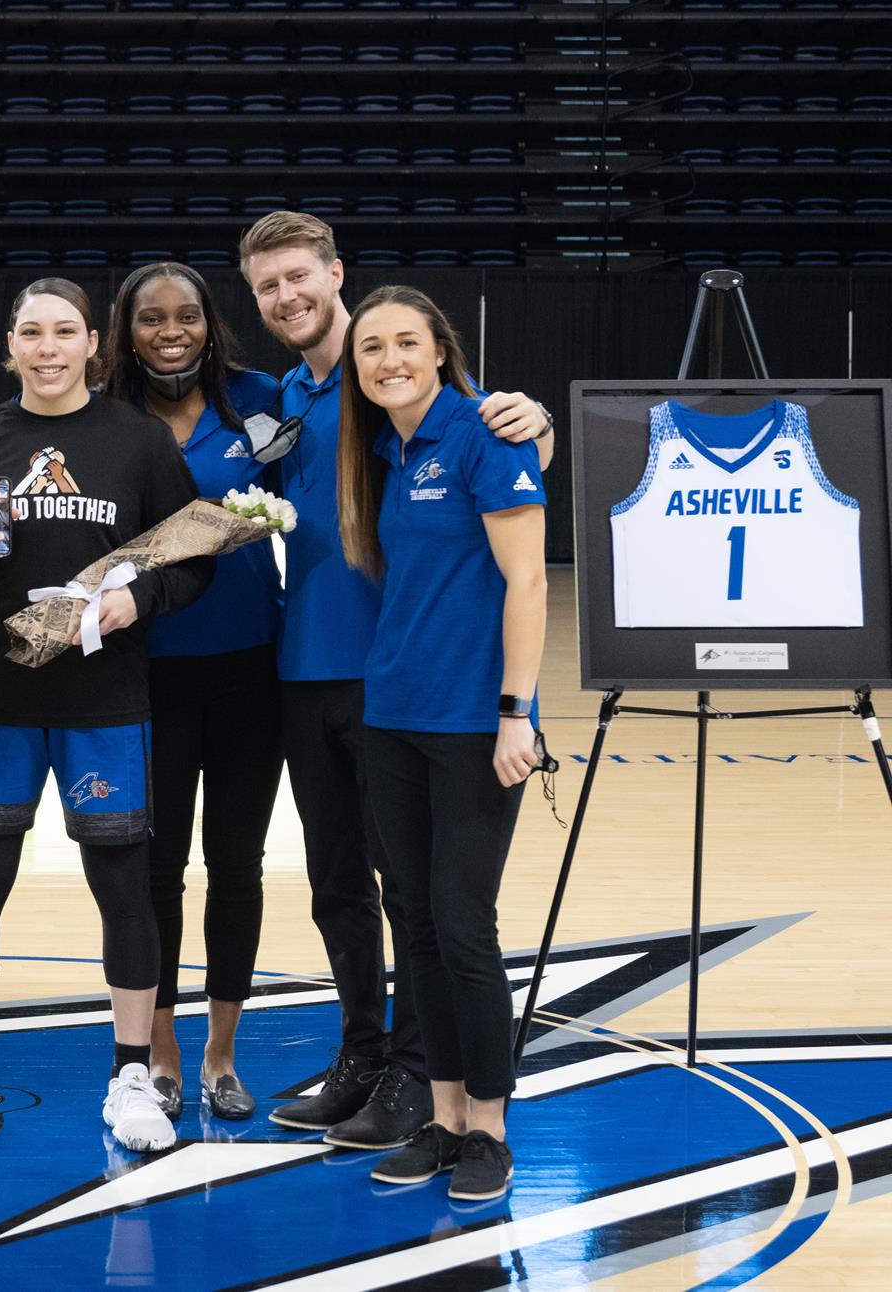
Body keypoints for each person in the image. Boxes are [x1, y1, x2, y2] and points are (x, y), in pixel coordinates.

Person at [0, 262, 286, 1122]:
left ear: (94, 344)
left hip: (107, 699)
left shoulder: (139, 440)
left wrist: (141, 597)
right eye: (32, 333)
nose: (49, 347)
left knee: (127, 888)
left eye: (65, 331)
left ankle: (134, 1072)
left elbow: (189, 564)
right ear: (10, 347)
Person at [237, 212, 555, 1150]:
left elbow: (501, 466)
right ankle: (367, 1057)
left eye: (301, 276)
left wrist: (535, 423)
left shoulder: (412, 398)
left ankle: (428, 1078)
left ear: (336, 273)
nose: (288, 297)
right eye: (268, 286)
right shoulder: (277, 396)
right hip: (311, 673)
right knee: (339, 885)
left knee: (420, 899)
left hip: (411, 686)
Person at [331, 285, 546, 1201]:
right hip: (393, 718)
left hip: (472, 726)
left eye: (405, 342)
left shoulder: (485, 434)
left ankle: (492, 1129)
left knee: (464, 930)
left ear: (439, 348)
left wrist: (516, 711)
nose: (388, 359)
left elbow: (529, 580)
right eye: (371, 347)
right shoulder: (389, 445)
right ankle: (446, 1117)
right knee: (415, 923)